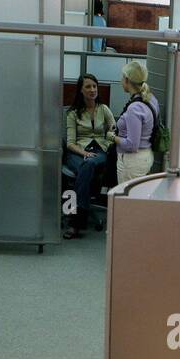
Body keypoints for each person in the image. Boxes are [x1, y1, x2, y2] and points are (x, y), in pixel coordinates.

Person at [64, 73, 115, 238]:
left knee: (88, 165)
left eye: (94, 86)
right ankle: (78, 219)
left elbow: (114, 129)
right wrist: (84, 153)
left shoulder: (104, 109)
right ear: (80, 90)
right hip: (78, 151)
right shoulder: (73, 113)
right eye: (88, 86)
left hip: (100, 150)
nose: (92, 90)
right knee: (86, 167)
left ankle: (75, 222)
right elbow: (70, 143)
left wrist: (111, 134)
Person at [114, 60, 159, 184]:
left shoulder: (134, 108)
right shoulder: (151, 99)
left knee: (126, 201)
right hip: (145, 155)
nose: (120, 81)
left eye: (122, 78)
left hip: (132, 161)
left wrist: (113, 137)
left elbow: (131, 145)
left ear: (127, 80)